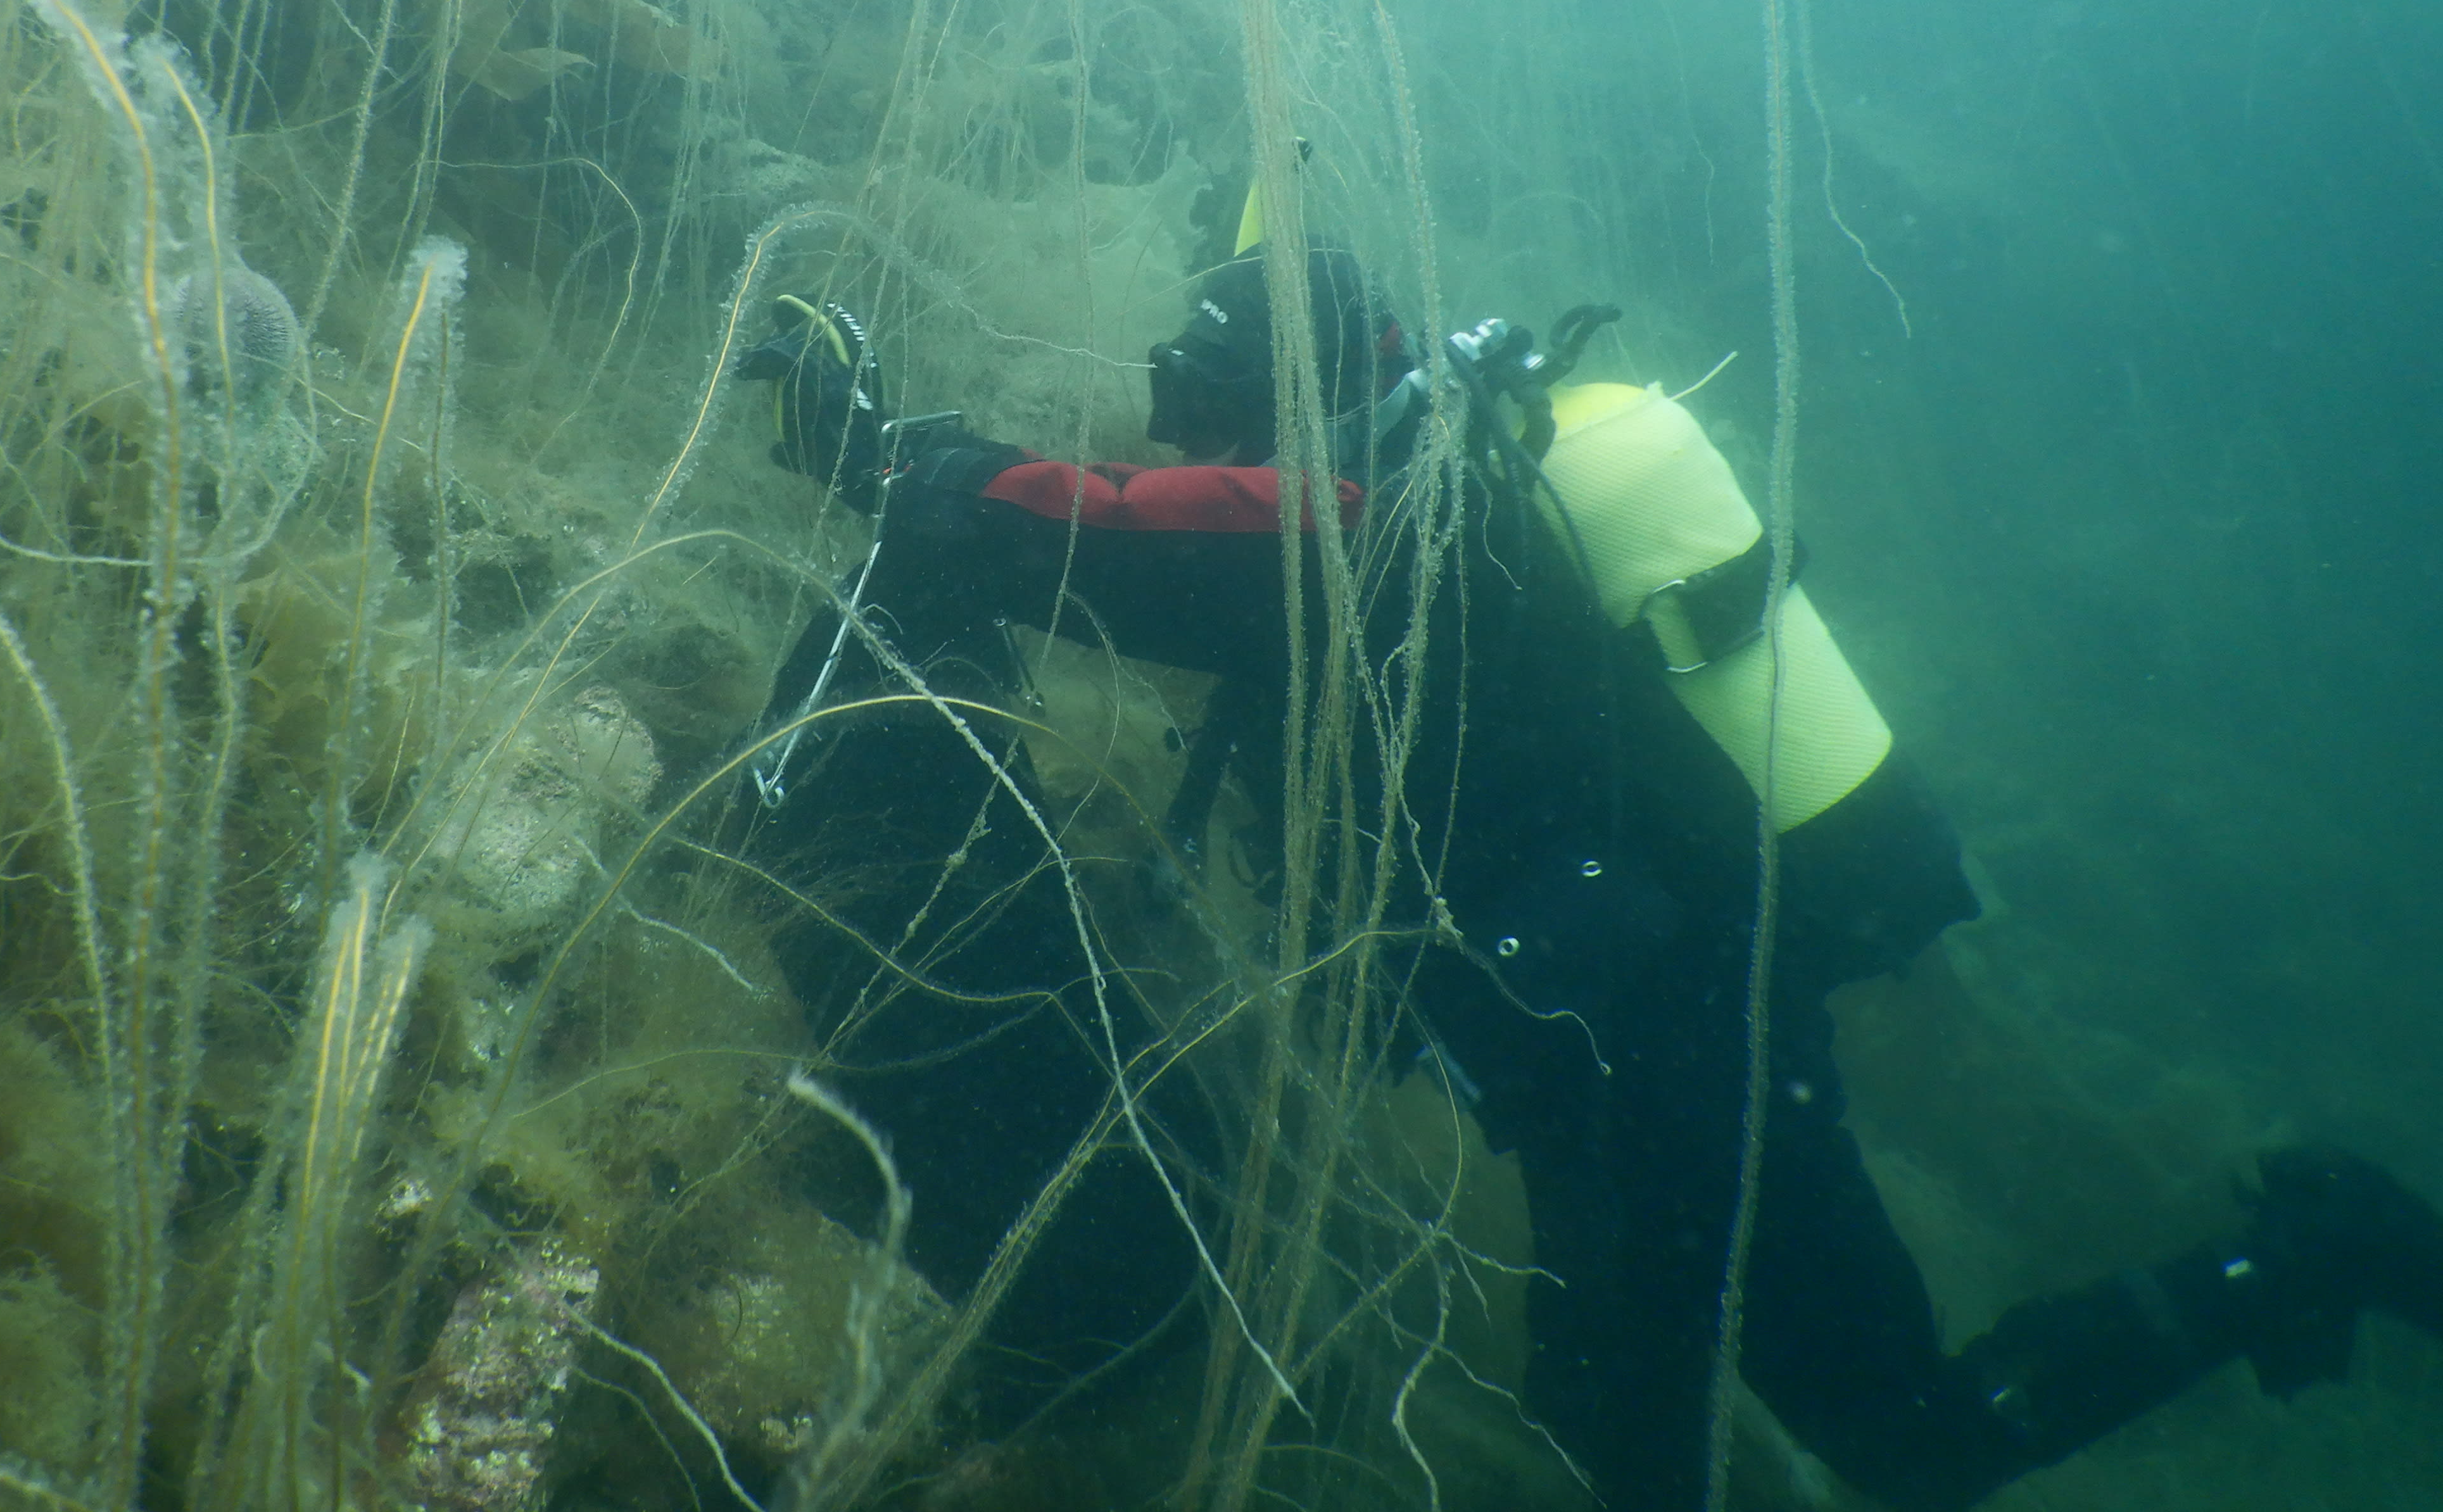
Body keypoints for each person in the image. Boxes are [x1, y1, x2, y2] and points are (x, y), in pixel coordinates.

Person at [721, 248, 2443, 1508]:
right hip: (1667, 1046)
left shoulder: (1396, 533)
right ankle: (2301, 1264)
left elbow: (1110, 528)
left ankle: (2304, 1261)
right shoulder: (1425, 537)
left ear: (1287, 413)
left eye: (1206, 414)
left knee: (1652, 1442)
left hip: (1664, 1073)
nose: (1182, 441)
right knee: (1896, 1437)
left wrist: (887, 456)